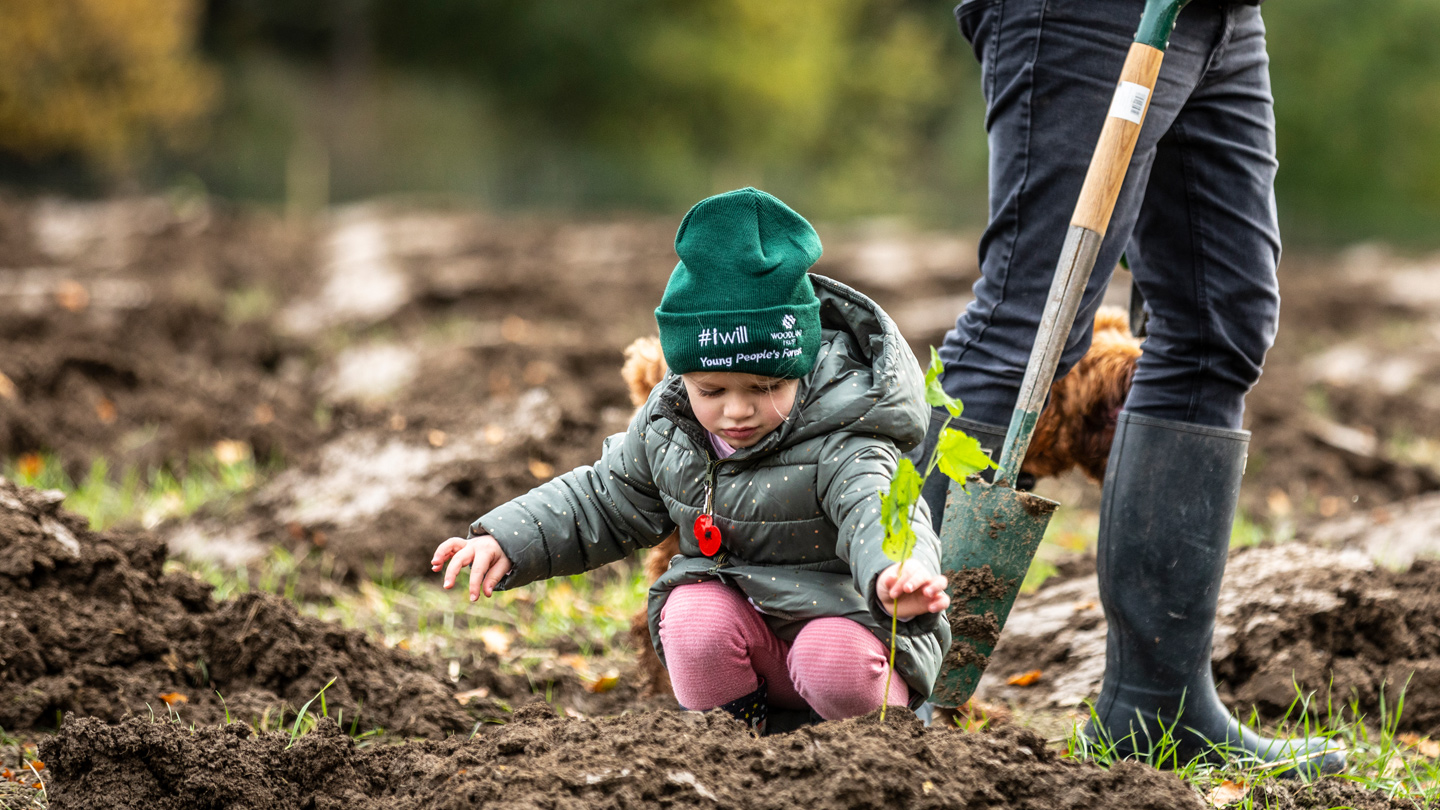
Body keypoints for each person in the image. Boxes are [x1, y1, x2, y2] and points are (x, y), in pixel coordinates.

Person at [915, 0, 1343, 773]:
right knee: (1032, 325)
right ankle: (888, 691)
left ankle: (1154, 712)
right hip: (1091, 12)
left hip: (1219, 16)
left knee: (1221, 323)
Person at [432, 187, 952, 733]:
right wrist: (506, 541)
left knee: (831, 658)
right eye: (712, 390)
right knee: (691, 616)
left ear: (801, 366)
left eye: (765, 385)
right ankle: (734, 745)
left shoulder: (845, 431)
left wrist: (895, 577)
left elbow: (876, 508)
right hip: (749, 640)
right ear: (682, 378)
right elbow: (602, 500)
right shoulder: (671, 426)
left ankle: (871, 747)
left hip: (845, 630)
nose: (736, 410)